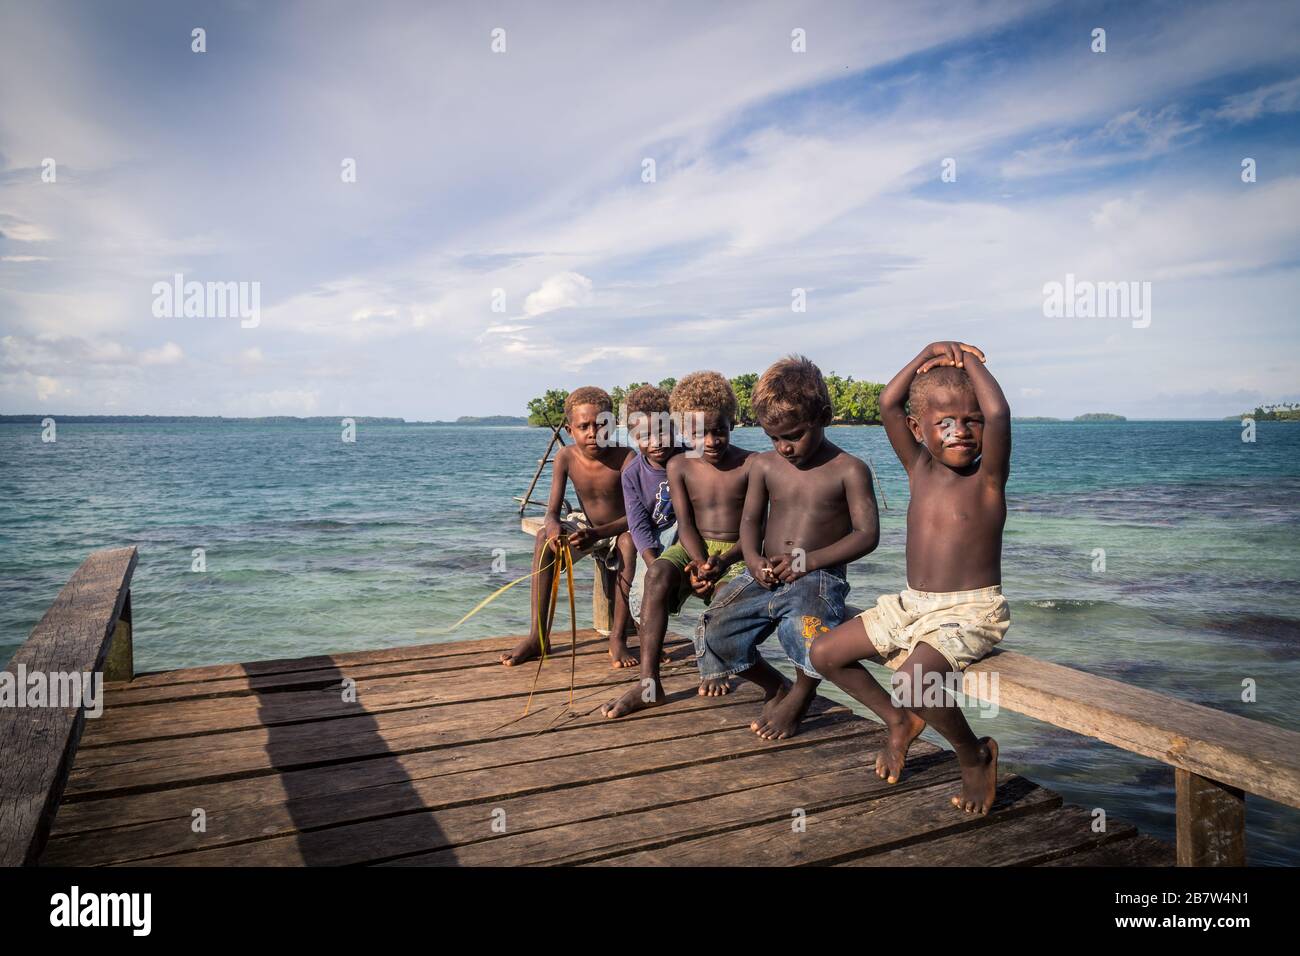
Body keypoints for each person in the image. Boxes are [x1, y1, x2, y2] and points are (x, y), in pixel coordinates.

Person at [810, 341, 1010, 815]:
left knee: (912, 680)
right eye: (945, 423)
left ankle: (974, 754)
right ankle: (898, 721)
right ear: (919, 429)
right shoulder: (918, 467)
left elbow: (999, 412)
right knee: (824, 653)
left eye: (972, 421)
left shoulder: (988, 479)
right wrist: (928, 353)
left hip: (969, 610)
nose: (960, 432)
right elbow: (888, 403)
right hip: (913, 605)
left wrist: (970, 362)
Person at [695, 356, 879, 740]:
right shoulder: (764, 466)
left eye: (794, 435)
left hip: (819, 576)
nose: (784, 447)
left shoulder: (849, 469)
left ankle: (800, 696)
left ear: (823, 417)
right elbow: (750, 522)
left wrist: (807, 562)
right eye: (774, 438)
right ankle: (777, 685)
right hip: (765, 573)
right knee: (715, 629)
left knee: (806, 631)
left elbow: (867, 535)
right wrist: (753, 560)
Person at [501, 386, 637, 668]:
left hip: (619, 529)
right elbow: (552, 513)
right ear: (569, 429)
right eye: (584, 426)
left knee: (629, 542)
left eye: (601, 425)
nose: (593, 432)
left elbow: (637, 515)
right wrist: (554, 530)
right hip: (587, 526)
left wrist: (597, 534)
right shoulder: (566, 457)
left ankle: (618, 638)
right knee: (543, 537)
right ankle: (538, 636)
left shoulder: (626, 458)